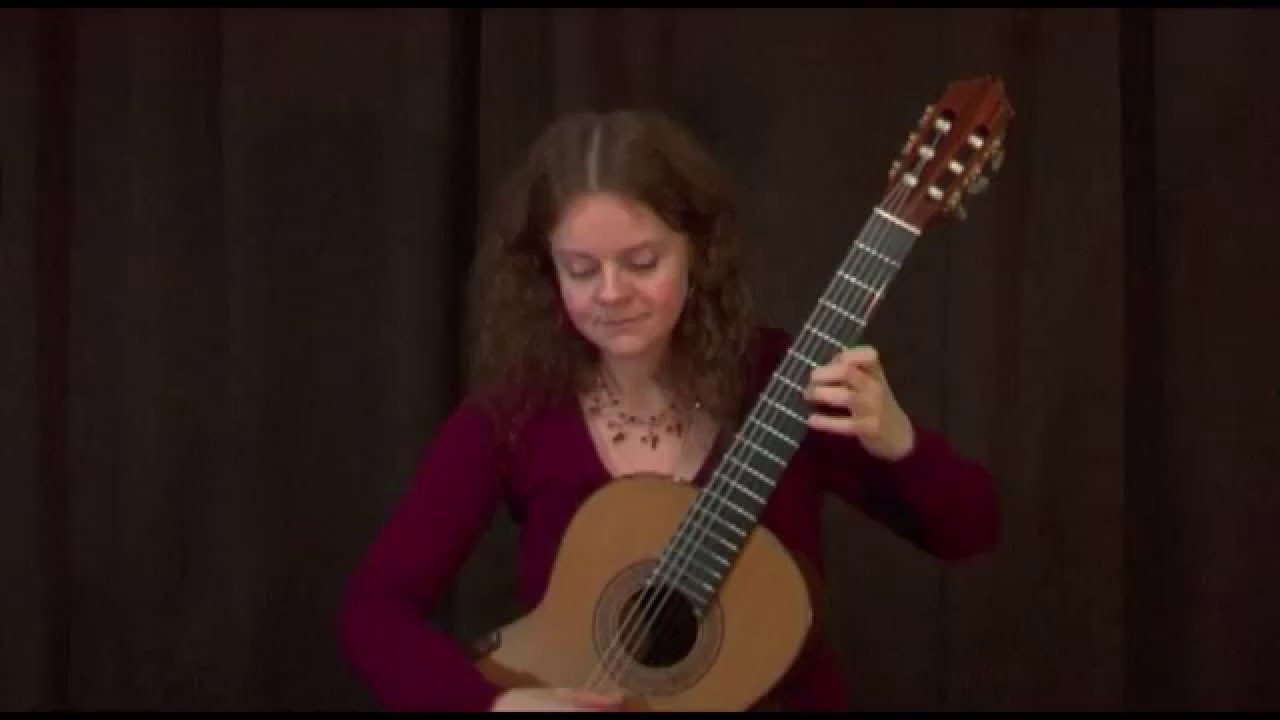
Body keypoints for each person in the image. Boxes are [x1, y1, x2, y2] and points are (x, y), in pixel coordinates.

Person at [337, 109, 1000, 712]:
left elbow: (971, 530)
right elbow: (372, 611)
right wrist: (492, 707)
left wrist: (900, 443)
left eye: (642, 261)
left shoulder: (786, 379)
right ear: (547, 273)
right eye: (579, 269)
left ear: (698, 254)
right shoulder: (515, 417)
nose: (612, 293)